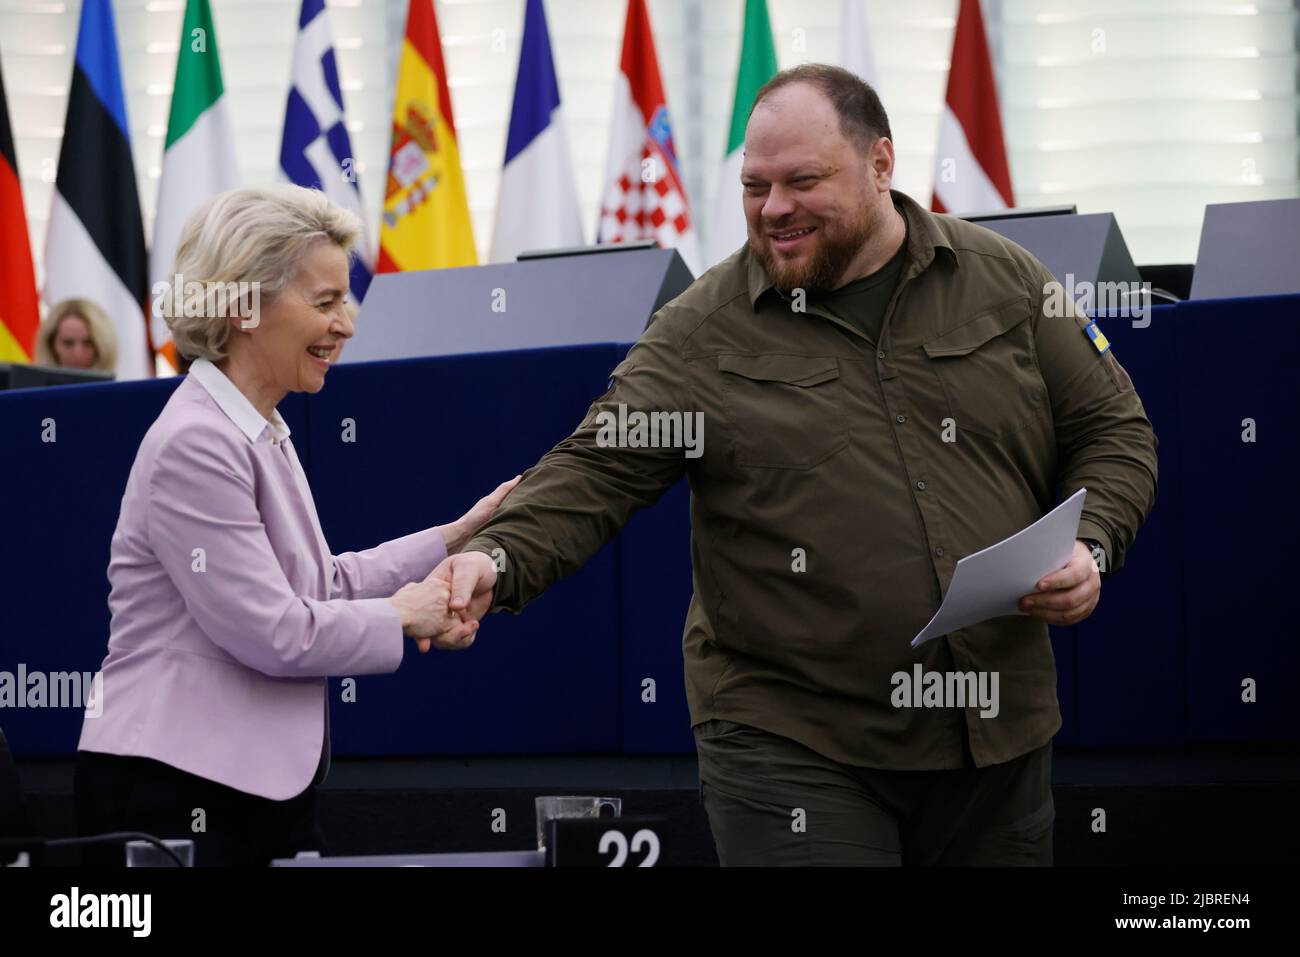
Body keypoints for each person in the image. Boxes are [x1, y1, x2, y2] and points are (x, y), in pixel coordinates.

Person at [426, 65, 1159, 866]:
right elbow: (597, 468)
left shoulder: (1004, 280)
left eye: (803, 181)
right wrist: (496, 558)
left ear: (882, 164)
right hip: (794, 740)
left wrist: (1090, 545)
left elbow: (1114, 431)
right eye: (755, 186)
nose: (774, 208)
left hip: (995, 727)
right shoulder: (703, 328)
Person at [75, 184, 519, 866]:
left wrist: (456, 534)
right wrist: (403, 614)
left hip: (249, 789)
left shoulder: (259, 429)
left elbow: (321, 583)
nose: (347, 323)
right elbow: (274, 629)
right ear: (246, 307)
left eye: (345, 299)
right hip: (173, 790)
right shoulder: (196, 441)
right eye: (325, 302)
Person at [34, 297, 117, 373]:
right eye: (68, 343)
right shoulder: (31, 388)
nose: (77, 354)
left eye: (88, 343)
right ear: (51, 346)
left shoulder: (121, 389)